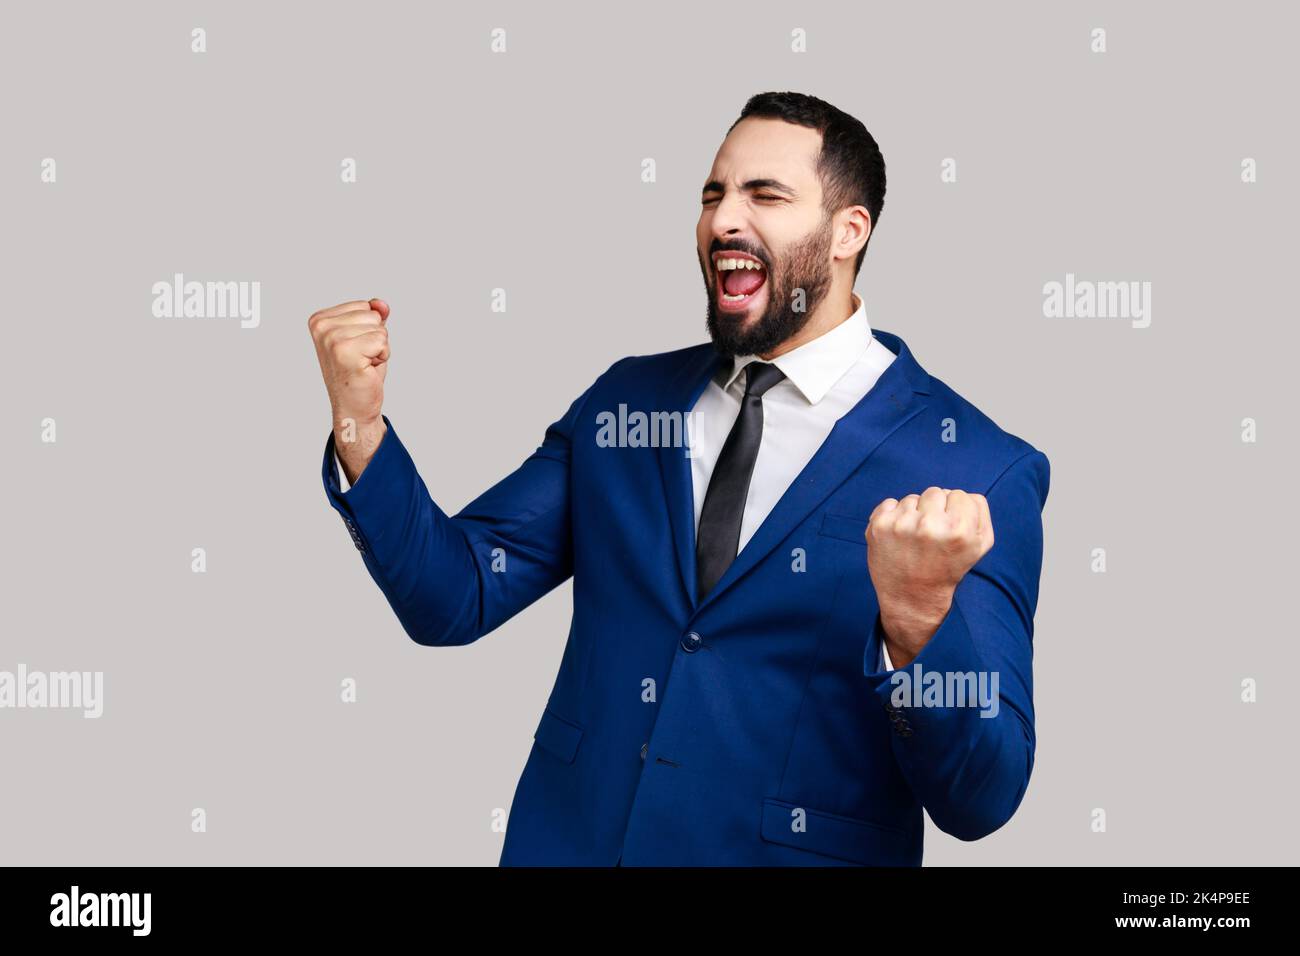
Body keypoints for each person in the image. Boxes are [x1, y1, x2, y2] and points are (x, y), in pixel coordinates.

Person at [307, 91, 1050, 866]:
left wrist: (920, 625)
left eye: (765, 194)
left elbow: (981, 797)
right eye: (712, 194)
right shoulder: (627, 402)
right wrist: (359, 424)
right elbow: (452, 594)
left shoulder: (976, 466)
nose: (724, 219)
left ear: (847, 231)